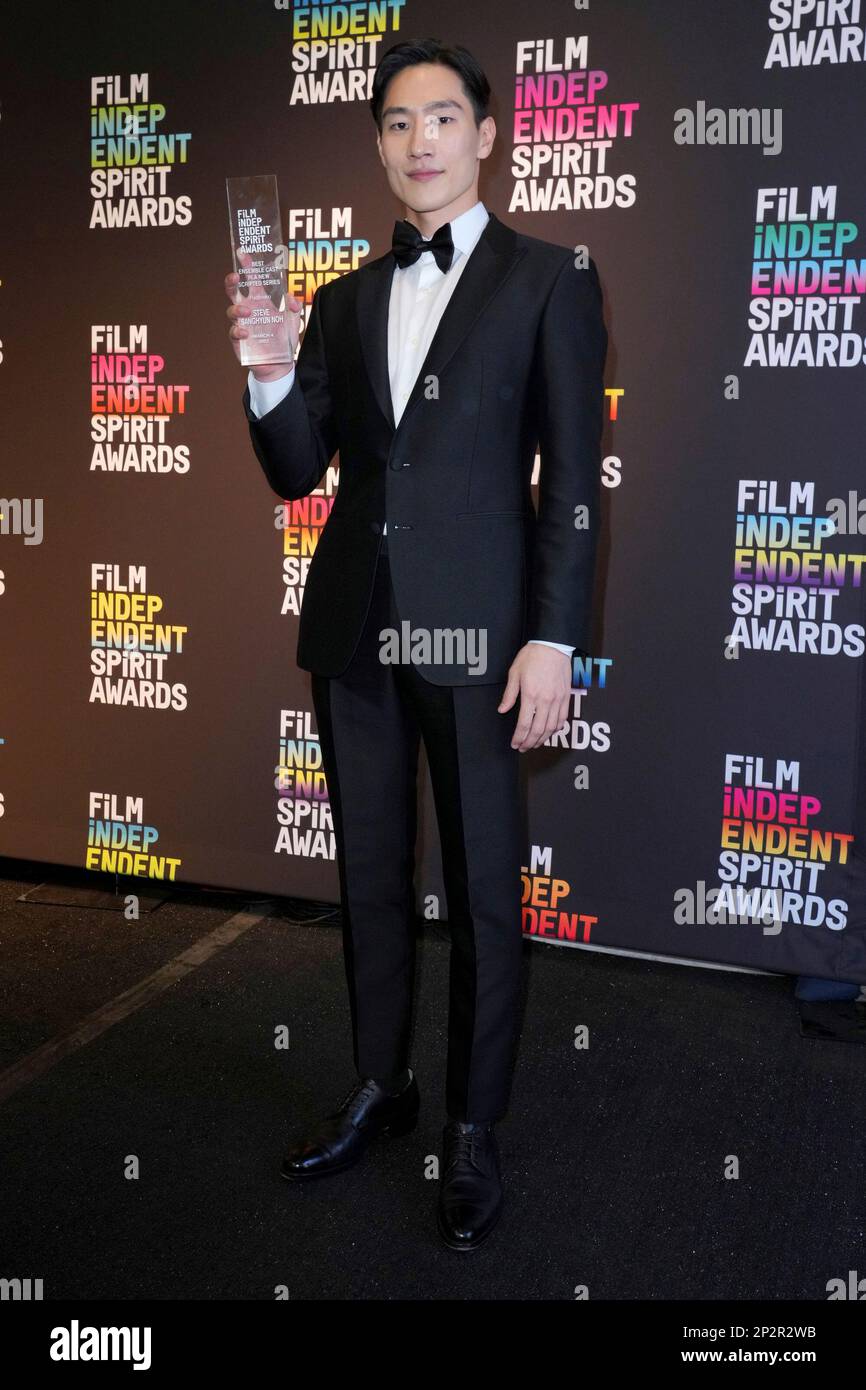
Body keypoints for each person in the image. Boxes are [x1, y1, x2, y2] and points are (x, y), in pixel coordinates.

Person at [224, 37, 608, 1250]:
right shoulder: (339, 297)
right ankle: (381, 1089)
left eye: (442, 117)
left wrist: (554, 641)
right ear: (380, 145)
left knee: (486, 897)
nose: (420, 140)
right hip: (356, 631)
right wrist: (266, 371)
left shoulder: (551, 280)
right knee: (370, 881)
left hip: (487, 643)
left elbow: (573, 489)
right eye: (396, 122)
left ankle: (473, 1130)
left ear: (486, 135)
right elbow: (298, 471)